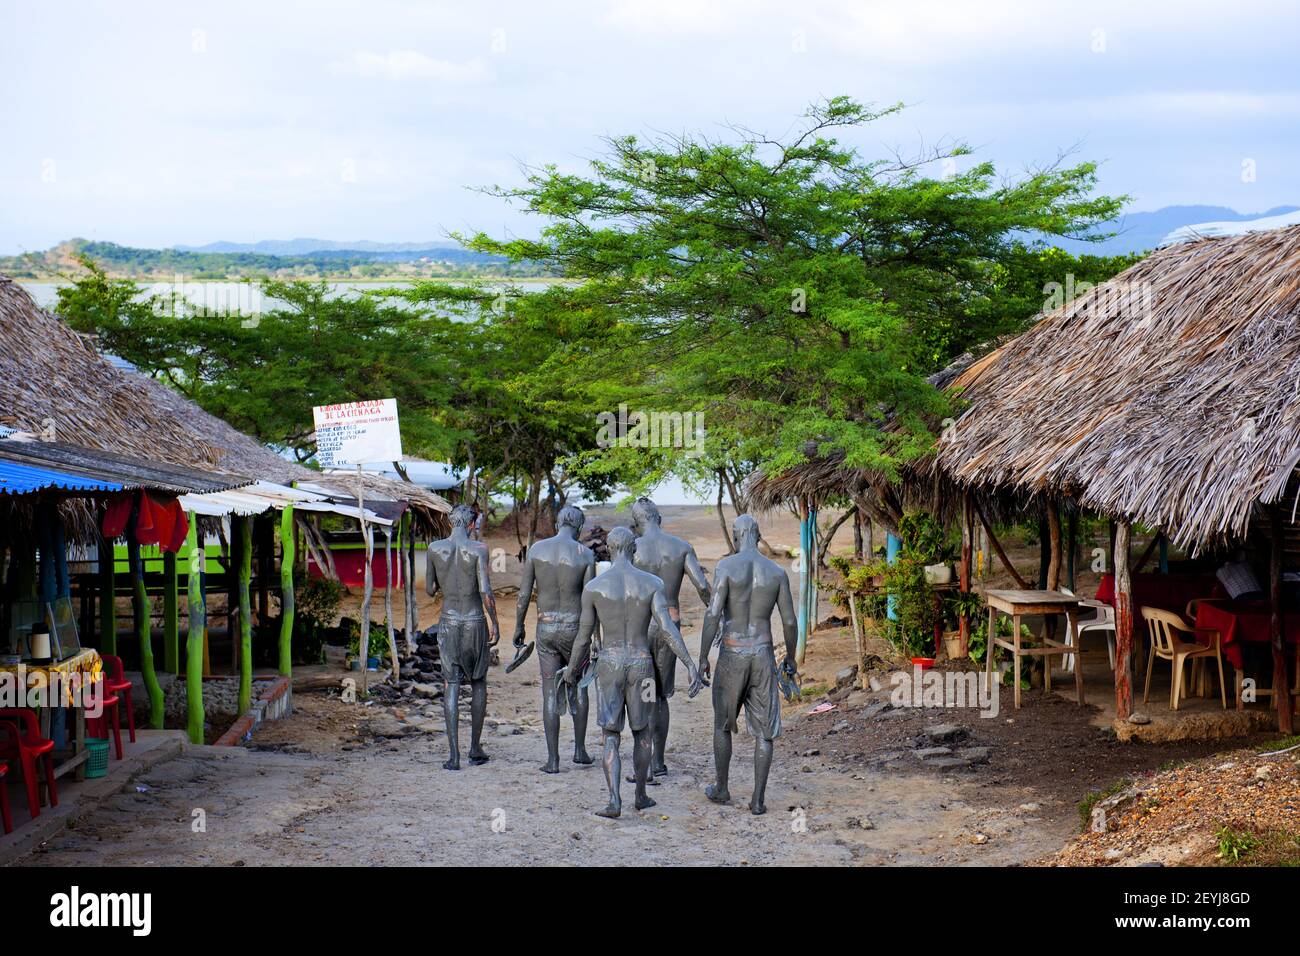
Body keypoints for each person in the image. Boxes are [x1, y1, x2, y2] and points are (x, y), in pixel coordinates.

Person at [562, 526, 704, 818]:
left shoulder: (595, 588)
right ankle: (640, 794)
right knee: (642, 732)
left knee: (610, 734)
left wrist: (572, 670)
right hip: (643, 667)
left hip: (609, 667)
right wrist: (689, 662)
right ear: (634, 550)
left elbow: (583, 637)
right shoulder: (652, 584)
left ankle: (614, 800)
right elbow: (666, 629)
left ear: (610, 550)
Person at [698, 513, 797, 815]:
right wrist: (790, 660)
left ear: (738, 535)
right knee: (764, 731)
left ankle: (722, 788)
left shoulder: (726, 567)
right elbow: (790, 621)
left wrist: (702, 657)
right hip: (763, 654)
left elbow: (713, 614)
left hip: (732, 651)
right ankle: (757, 800)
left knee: (722, 725)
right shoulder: (776, 572)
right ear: (758, 534)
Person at [630, 497, 711, 779]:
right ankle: (658, 762)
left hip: (641, 626)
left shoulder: (633, 548)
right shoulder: (680, 547)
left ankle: (645, 758)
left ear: (637, 522)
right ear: (658, 518)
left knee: (645, 692)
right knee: (661, 697)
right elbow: (702, 586)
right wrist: (719, 617)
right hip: (671, 624)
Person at [514, 505, 597, 773]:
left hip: (546, 627)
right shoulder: (585, 555)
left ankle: (553, 760)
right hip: (575, 631)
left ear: (559, 522)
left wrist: (519, 626)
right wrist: (594, 637)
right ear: (580, 526)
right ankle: (580, 750)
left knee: (550, 691)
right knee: (580, 686)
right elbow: (590, 603)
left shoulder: (537, 550)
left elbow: (524, 593)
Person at [426, 504, 500, 770]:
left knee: (451, 684)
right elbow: (485, 590)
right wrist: (495, 622)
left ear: (450, 523)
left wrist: (445, 581)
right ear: (471, 525)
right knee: (478, 682)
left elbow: (429, 590)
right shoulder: (478, 549)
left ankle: (453, 755)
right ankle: (475, 748)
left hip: (448, 622)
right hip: (473, 622)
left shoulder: (435, 549)